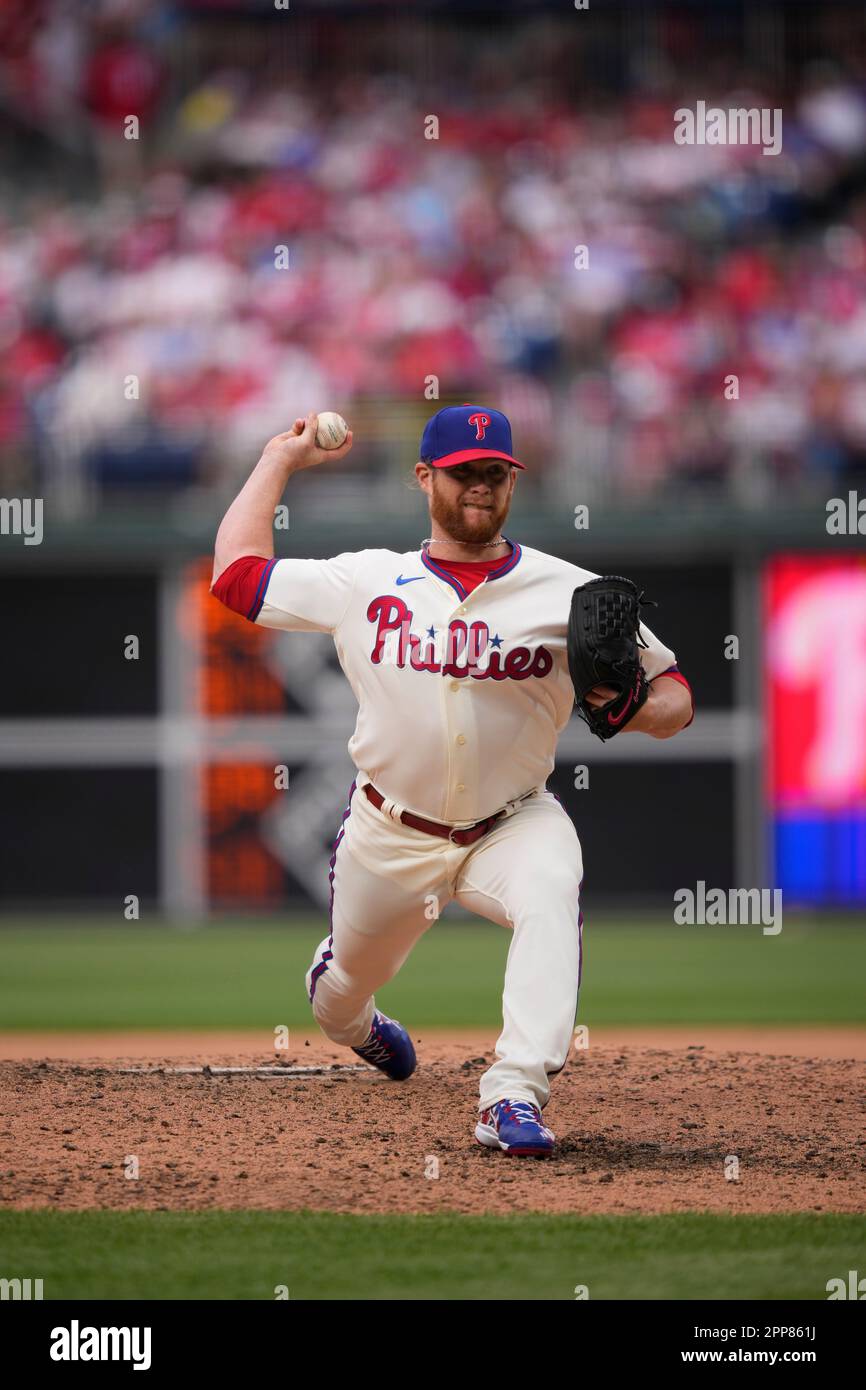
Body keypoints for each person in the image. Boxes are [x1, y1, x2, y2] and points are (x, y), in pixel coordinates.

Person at [211, 404, 693, 1156]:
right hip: (389, 830)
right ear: (424, 478)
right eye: (465, 472)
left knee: (550, 892)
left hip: (513, 820)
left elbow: (677, 697)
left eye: (495, 473)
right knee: (340, 1002)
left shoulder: (569, 590)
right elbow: (236, 579)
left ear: (511, 482)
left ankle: (513, 1095)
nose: (481, 486)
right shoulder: (367, 580)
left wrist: (638, 707)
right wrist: (280, 460)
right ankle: (357, 1019)